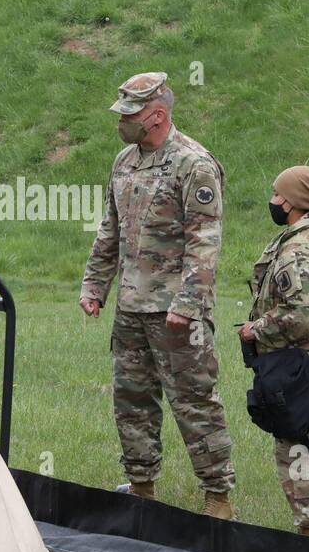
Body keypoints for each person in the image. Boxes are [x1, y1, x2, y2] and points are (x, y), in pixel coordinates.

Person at [79, 71, 235, 520]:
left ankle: (217, 496)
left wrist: (187, 304)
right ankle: (142, 485)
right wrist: (95, 285)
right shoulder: (123, 162)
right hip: (131, 308)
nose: (122, 122)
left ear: (157, 115)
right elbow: (110, 231)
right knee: (131, 400)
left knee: (194, 402)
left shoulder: (194, 164)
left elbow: (204, 242)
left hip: (175, 311)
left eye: (130, 114)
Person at [239, 166, 309, 538]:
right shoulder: (302, 239)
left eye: (276, 194)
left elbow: (302, 314)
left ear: (293, 202)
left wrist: (257, 328)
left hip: (305, 358)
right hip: (300, 356)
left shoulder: (300, 249)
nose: (272, 201)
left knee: (297, 440)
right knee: (298, 436)